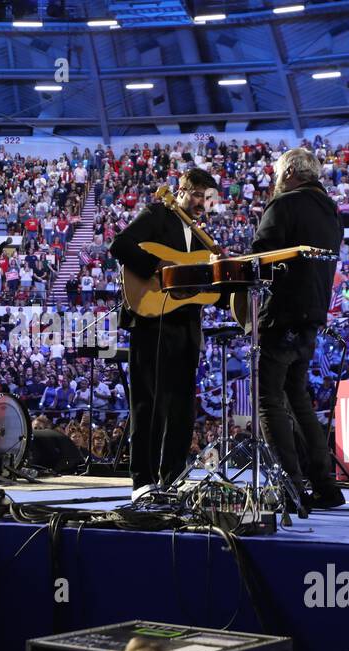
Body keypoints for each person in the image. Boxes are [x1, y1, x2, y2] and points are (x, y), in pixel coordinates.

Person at [109, 167, 217, 499]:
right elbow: (120, 245)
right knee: (148, 403)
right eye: (196, 194)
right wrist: (157, 268)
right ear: (180, 191)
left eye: (207, 197)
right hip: (152, 321)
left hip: (186, 326)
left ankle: (173, 475)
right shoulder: (159, 213)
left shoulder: (199, 235)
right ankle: (142, 479)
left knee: (183, 406)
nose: (201, 203)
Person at [250, 148, 345, 509]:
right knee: (298, 399)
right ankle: (326, 487)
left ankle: (288, 488)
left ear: (289, 172)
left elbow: (261, 258)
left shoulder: (284, 204)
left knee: (268, 400)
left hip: (281, 315)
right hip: (312, 314)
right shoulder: (331, 210)